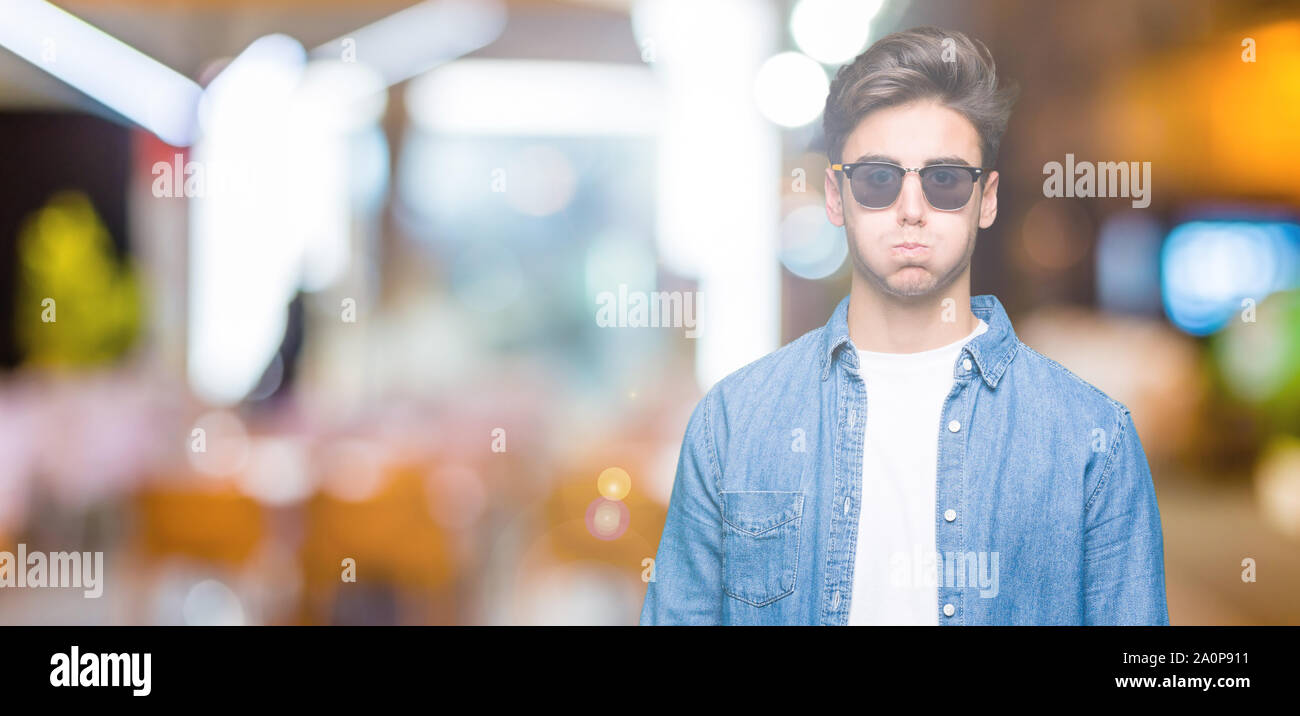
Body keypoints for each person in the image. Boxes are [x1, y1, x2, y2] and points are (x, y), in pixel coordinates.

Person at [639, 26, 1169, 625]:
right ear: (836, 197)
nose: (911, 209)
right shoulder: (733, 422)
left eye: (943, 179)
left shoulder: (1092, 438)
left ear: (986, 199)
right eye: (879, 179)